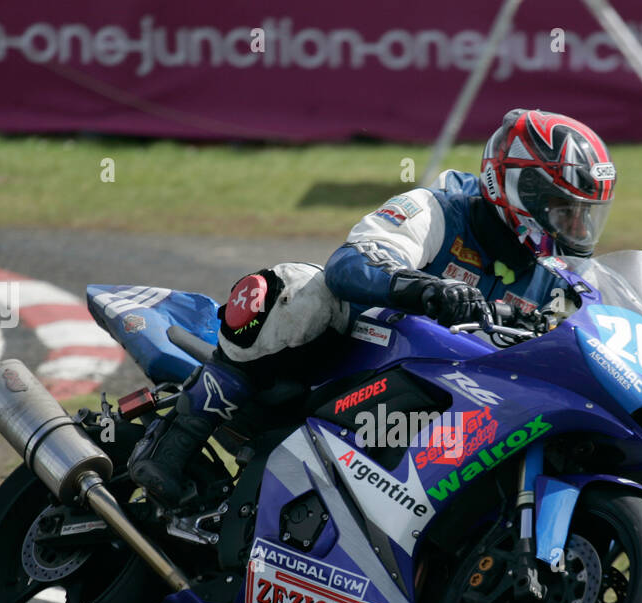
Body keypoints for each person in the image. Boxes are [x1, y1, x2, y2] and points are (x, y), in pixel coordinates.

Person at [129, 108, 616, 511]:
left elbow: (590, 339)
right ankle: (185, 425)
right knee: (300, 288)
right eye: (562, 208)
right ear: (518, 192)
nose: (575, 226)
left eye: (584, 214)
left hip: (457, 407)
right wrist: (424, 290)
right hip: (358, 364)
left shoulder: (559, 278)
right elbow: (351, 265)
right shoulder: (438, 210)